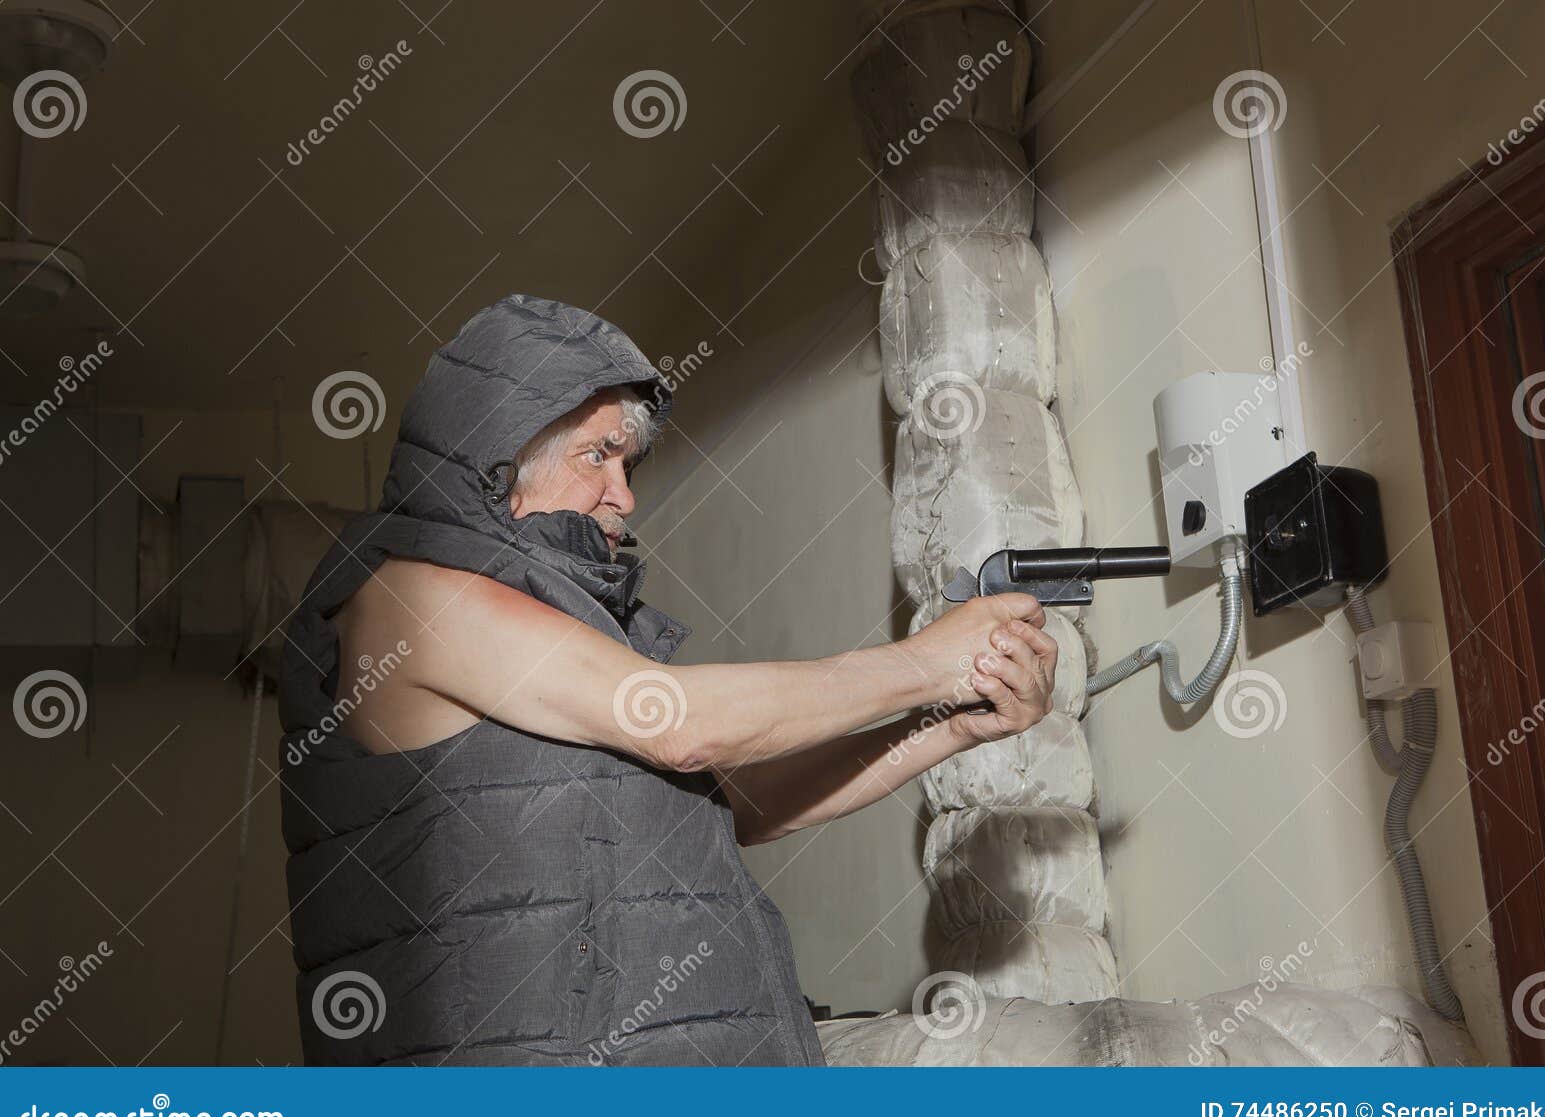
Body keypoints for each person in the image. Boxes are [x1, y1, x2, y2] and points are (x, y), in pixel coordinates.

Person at [278, 295, 1058, 1066]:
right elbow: (681, 726)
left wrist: (953, 719)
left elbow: (746, 802)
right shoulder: (410, 597)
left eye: (627, 463)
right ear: (499, 463)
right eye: (597, 455)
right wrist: (927, 661)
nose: (624, 494)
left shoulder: (557, 633)